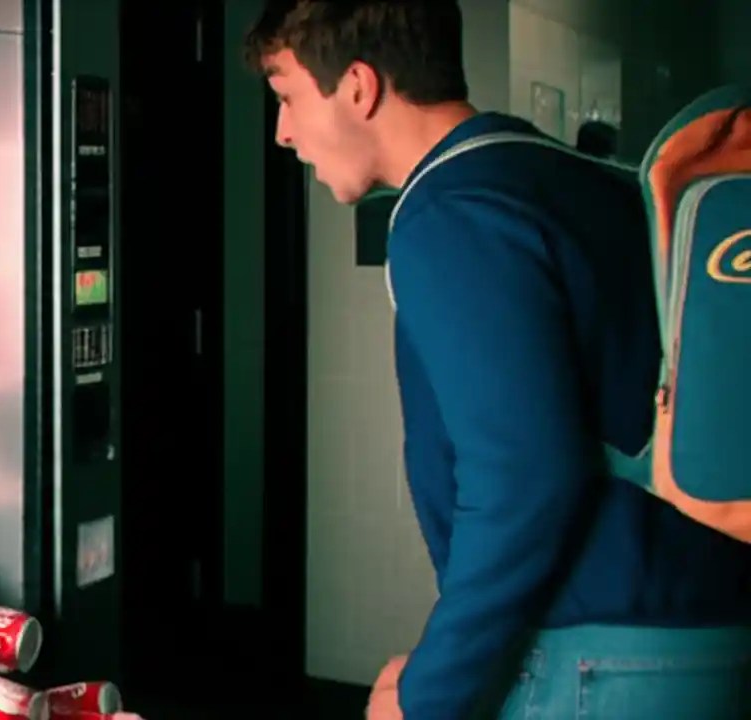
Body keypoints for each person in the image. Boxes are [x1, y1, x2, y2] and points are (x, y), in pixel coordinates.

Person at [244, 1, 751, 718]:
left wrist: (431, 692)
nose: (283, 132)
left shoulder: (448, 215)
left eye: (288, 97)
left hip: (608, 661)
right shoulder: (571, 175)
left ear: (358, 87)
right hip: (699, 626)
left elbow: (525, 479)